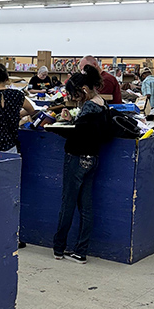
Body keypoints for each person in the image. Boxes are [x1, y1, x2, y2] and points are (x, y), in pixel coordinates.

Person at [53, 65, 112, 264]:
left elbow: (79, 134)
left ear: (84, 90)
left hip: (76, 158)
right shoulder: (102, 104)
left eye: (76, 94)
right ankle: (81, 251)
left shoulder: (88, 108)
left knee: (67, 204)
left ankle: (59, 247)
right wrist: (73, 119)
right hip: (92, 158)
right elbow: (92, 131)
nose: (75, 98)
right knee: (86, 208)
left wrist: (60, 127)